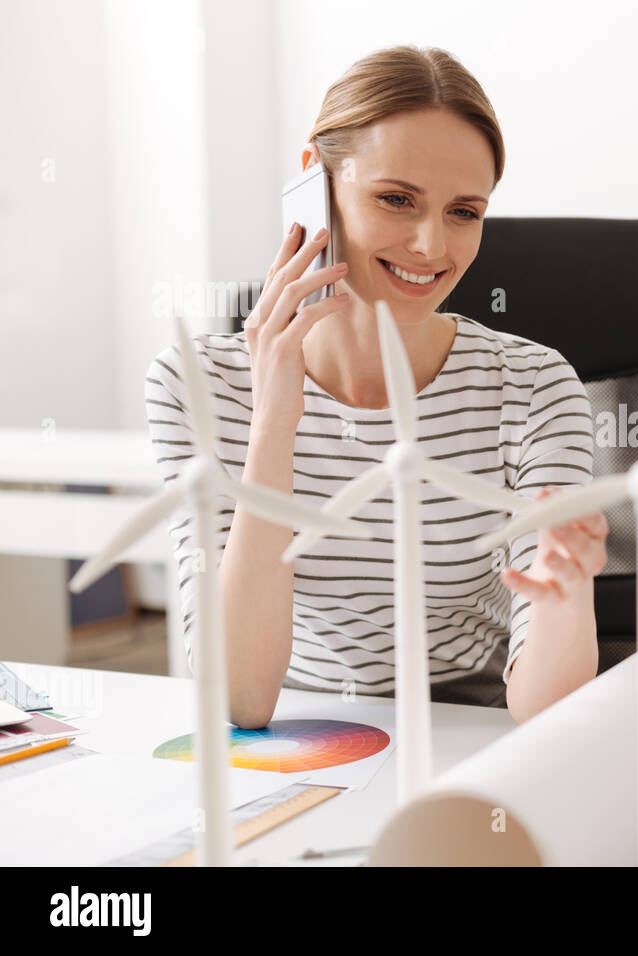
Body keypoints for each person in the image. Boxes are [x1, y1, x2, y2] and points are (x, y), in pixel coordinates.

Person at [145, 45, 607, 729]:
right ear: (317, 183)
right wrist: (275, 420)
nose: (430, 246)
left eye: (464, 212)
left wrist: (567, 600)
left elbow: (548, 713)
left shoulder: (536, 389)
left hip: (471, 736)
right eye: (397, 199)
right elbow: (238, 699)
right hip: (292, 740)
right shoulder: (196, 383)